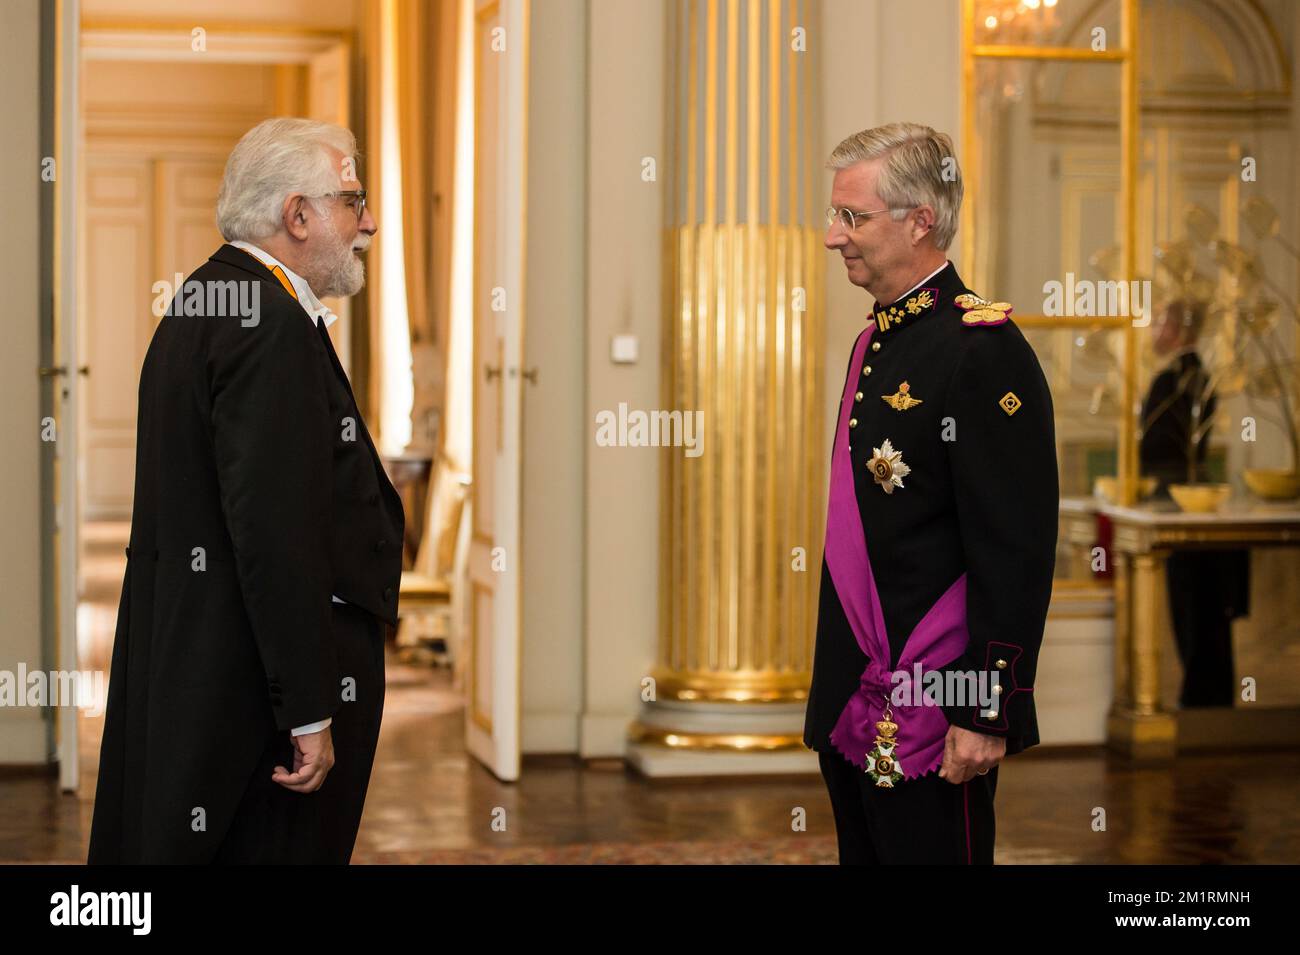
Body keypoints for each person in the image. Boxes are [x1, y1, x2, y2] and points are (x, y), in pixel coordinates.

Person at [89, 118, 405, 864]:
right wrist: (308, 710)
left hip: (207, 664)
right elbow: (276, 535)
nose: (368, 222)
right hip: (254, 688)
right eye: (351, 199)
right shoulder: (269, 324)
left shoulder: (207, 300)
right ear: (297, 215)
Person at [804, 123, 1059, 864]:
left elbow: (1014, 549)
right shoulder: (873, 342)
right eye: (836, 214)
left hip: (940, 705)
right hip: (860, 689)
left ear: (920, 220)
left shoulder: (985, 352)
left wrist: (986, 708)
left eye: (852, 217)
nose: (832, 236)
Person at [1139, 300, 1248, 707]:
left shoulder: (1175, 380)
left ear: (1178, 329)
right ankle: (1207, 697)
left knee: (1192, 608)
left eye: (1159, 322)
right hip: (1183, 493)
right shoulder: (1196, 375)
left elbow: (1155, 447)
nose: (1152, 330)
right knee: (1202, 611)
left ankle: (1203, 699)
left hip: (1174, 499)